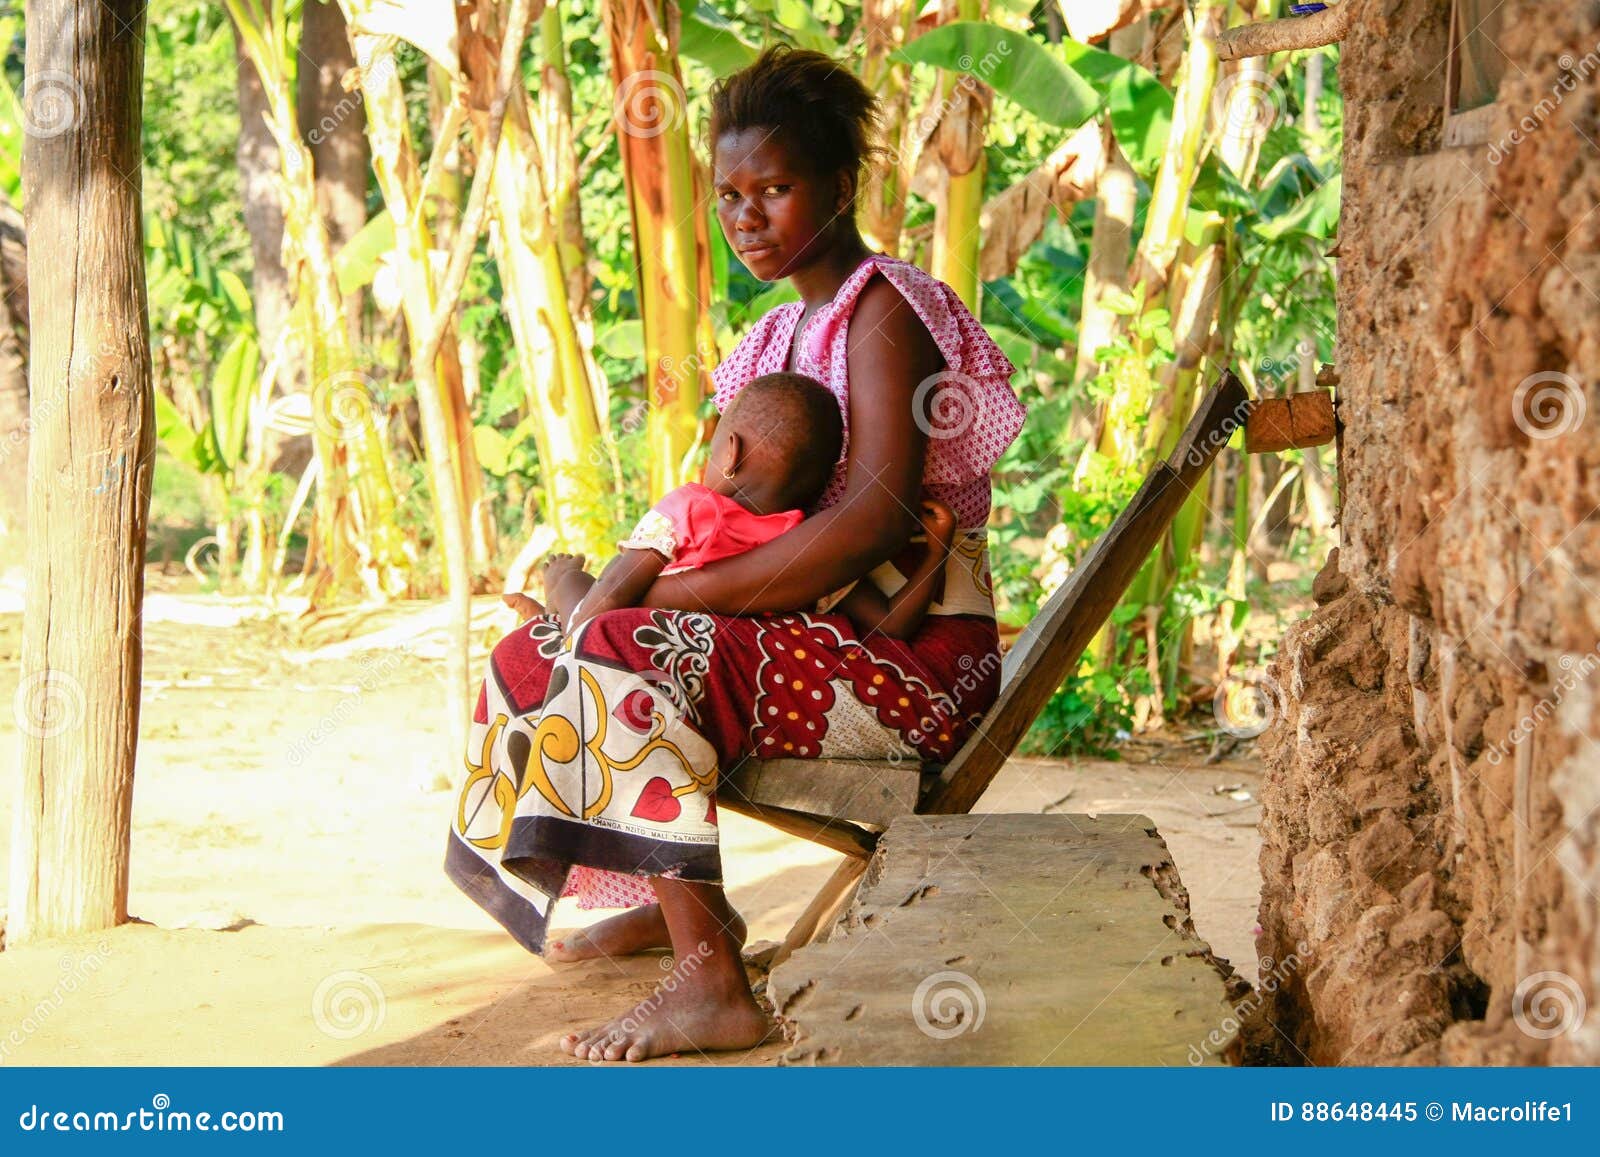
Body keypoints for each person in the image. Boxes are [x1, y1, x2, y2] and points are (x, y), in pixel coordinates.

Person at [445, 44, 1026, 1063]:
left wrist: (669, 593)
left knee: (626, 651)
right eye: (729, 193)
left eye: (775, 187)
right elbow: (722, 509)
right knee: (536, 653)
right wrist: (646, 586)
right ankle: (653, 894)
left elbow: (871, 526)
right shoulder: (772, 341)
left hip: (906, 660)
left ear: (840, 187)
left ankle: (711, 984)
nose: (745, 213)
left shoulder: (886, 313)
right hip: (808, 640)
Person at [508, 370, 959, 643]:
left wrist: (565, 587)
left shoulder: (688, 508)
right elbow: (892, 626)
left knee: (582, 579)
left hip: (634, 636)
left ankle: (552, 617)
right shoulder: (806, 548)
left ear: (730, 453)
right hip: (711, 660)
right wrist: (936, 554)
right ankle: (554, 620)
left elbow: (607, 603)